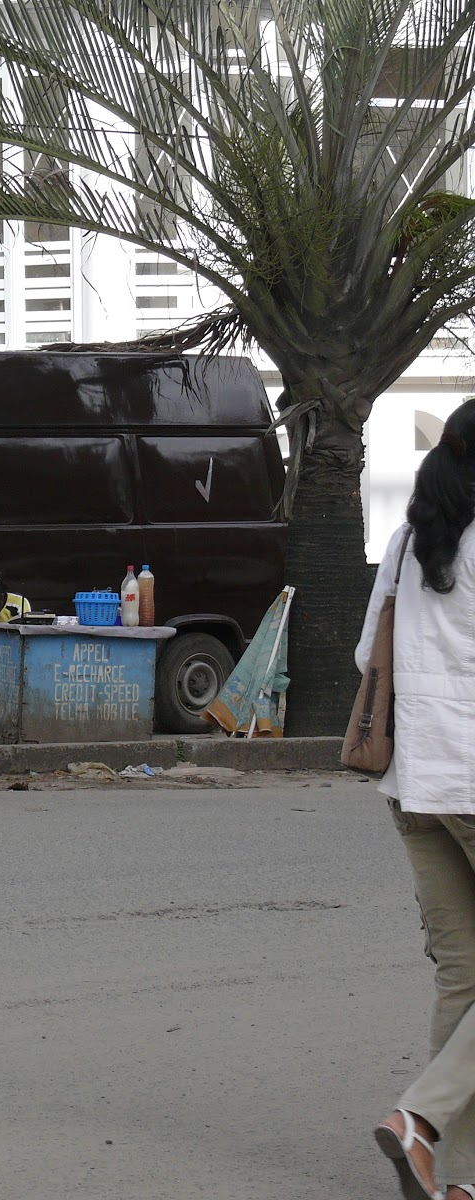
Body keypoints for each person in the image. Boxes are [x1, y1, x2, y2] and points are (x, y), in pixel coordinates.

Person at [363, 397, 475, 1200]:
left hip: (414, 786)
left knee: (464, 982)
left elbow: (372, 654)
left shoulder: (406, 545)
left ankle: (450, 1177)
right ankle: (423, 1120)